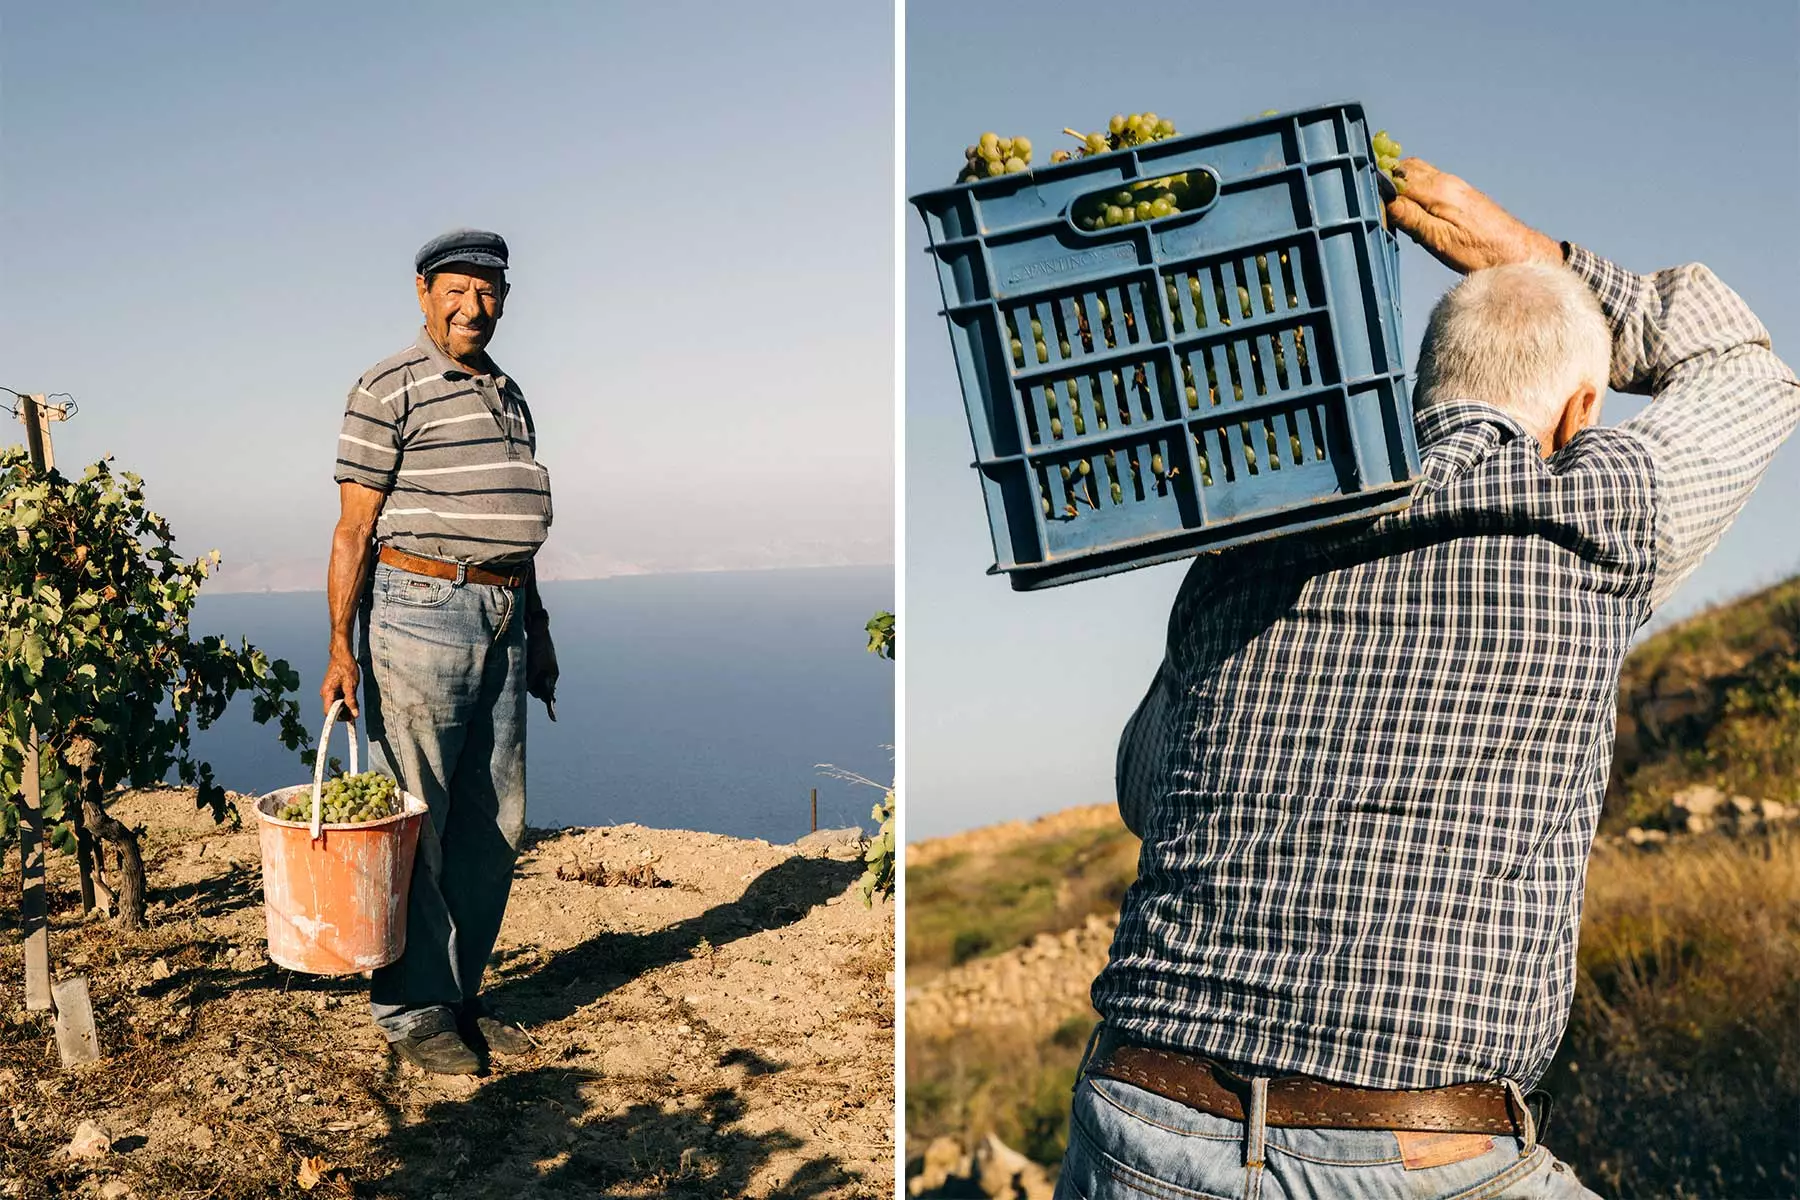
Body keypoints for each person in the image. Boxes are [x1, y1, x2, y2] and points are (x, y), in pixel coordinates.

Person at [1054, 158, 1800, 1198]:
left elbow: (1147, 791)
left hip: (1139, 1121)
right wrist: (1542, 260)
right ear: (1581, 409)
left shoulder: (1245, 544)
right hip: (1416, 1159)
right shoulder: (1598, 516)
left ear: (1422, 389)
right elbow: (1748, 368)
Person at [321, 228, 560, 1075]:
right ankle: (409, 1008)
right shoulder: (387, 386)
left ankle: (461, 992)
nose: (474, 306)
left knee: (495, 819)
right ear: (423, 293)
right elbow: (353, 530)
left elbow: (513, 531)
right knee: (414, 817)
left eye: (489, 291)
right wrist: (340, 650)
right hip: (419, 611)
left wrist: (538, 632)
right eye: (456, 290)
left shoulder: (509, 392)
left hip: (502, 614)